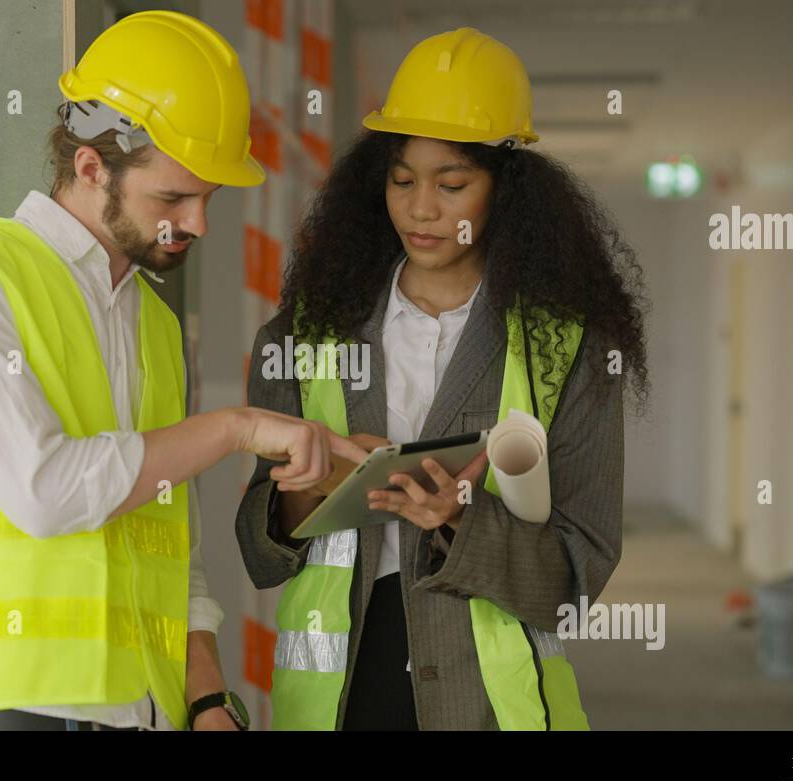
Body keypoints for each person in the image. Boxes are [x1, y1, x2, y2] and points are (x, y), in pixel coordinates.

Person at [0, 10, 356, 732]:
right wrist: (234, 427)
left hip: (147, 711)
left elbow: (169, 541)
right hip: (12, 708)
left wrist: (207, 696)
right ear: (91, 166)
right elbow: (45, 492)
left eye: (208, 199)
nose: (197, 224)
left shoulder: (155, 326)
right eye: (172, 198)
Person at [235, 26, 650, 730]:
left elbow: (574, 581)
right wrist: (307, 489)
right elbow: (259, 552)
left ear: (506, 191)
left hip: (490, 708)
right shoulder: (303, 337)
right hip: (339, 703)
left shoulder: (568, 351)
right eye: (402, 180)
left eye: (451, 184)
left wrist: (459, 517)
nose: (420, 208)